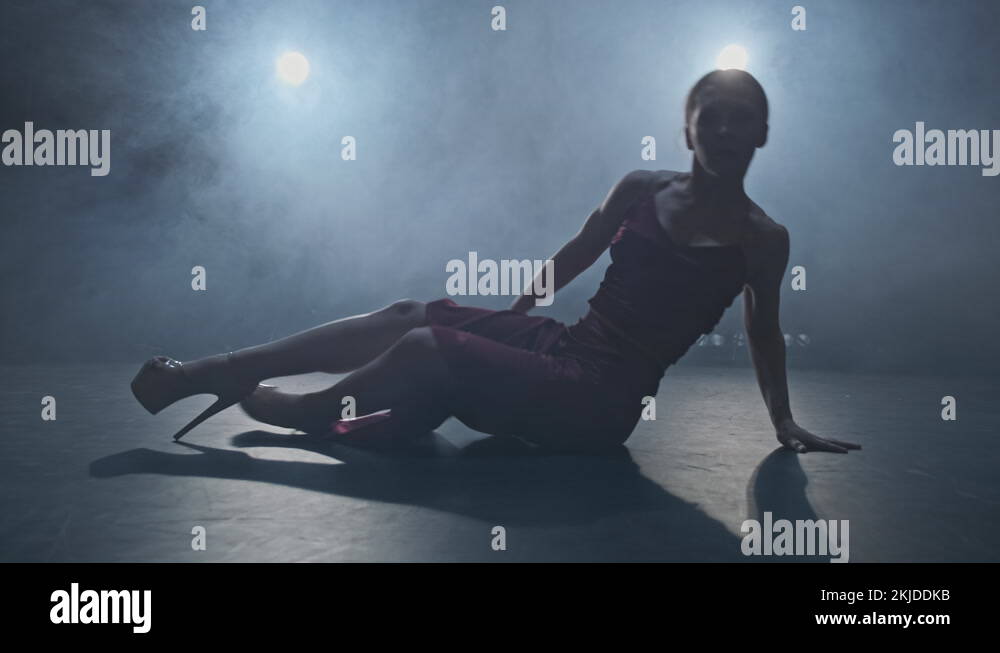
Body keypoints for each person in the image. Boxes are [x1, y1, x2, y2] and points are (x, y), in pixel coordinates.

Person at [131, 69, 860, 455]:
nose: (727, 128)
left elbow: (764, 331)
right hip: (566, 346)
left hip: (604, 403)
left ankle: (300, 412)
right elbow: (580, 249)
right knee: (411, 314)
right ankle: (226, 369)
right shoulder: (641, 187)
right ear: (688, 125)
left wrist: (785, 421)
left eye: (743, 117)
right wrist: (521, 302)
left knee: (427, 348)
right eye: (713, 114)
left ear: (763, 132)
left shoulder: (766, 238)